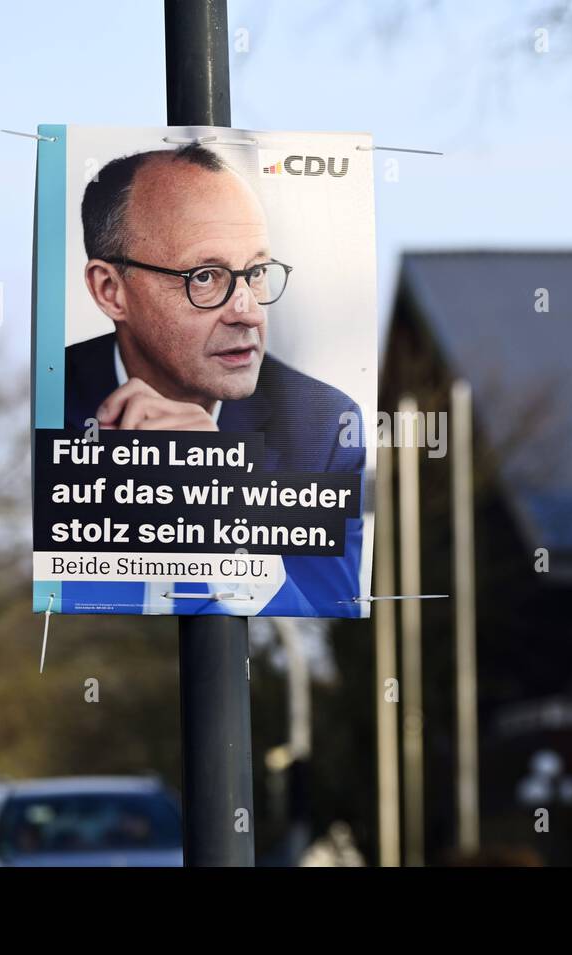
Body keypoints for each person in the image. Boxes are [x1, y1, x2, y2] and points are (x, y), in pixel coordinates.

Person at [64, 144, 364, 616]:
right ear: (110, 290)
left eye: (257, 273)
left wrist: (222, 507)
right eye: (205, 277)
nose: (247, 311)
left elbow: (323, 638)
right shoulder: (49, 407)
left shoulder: (318, 426)